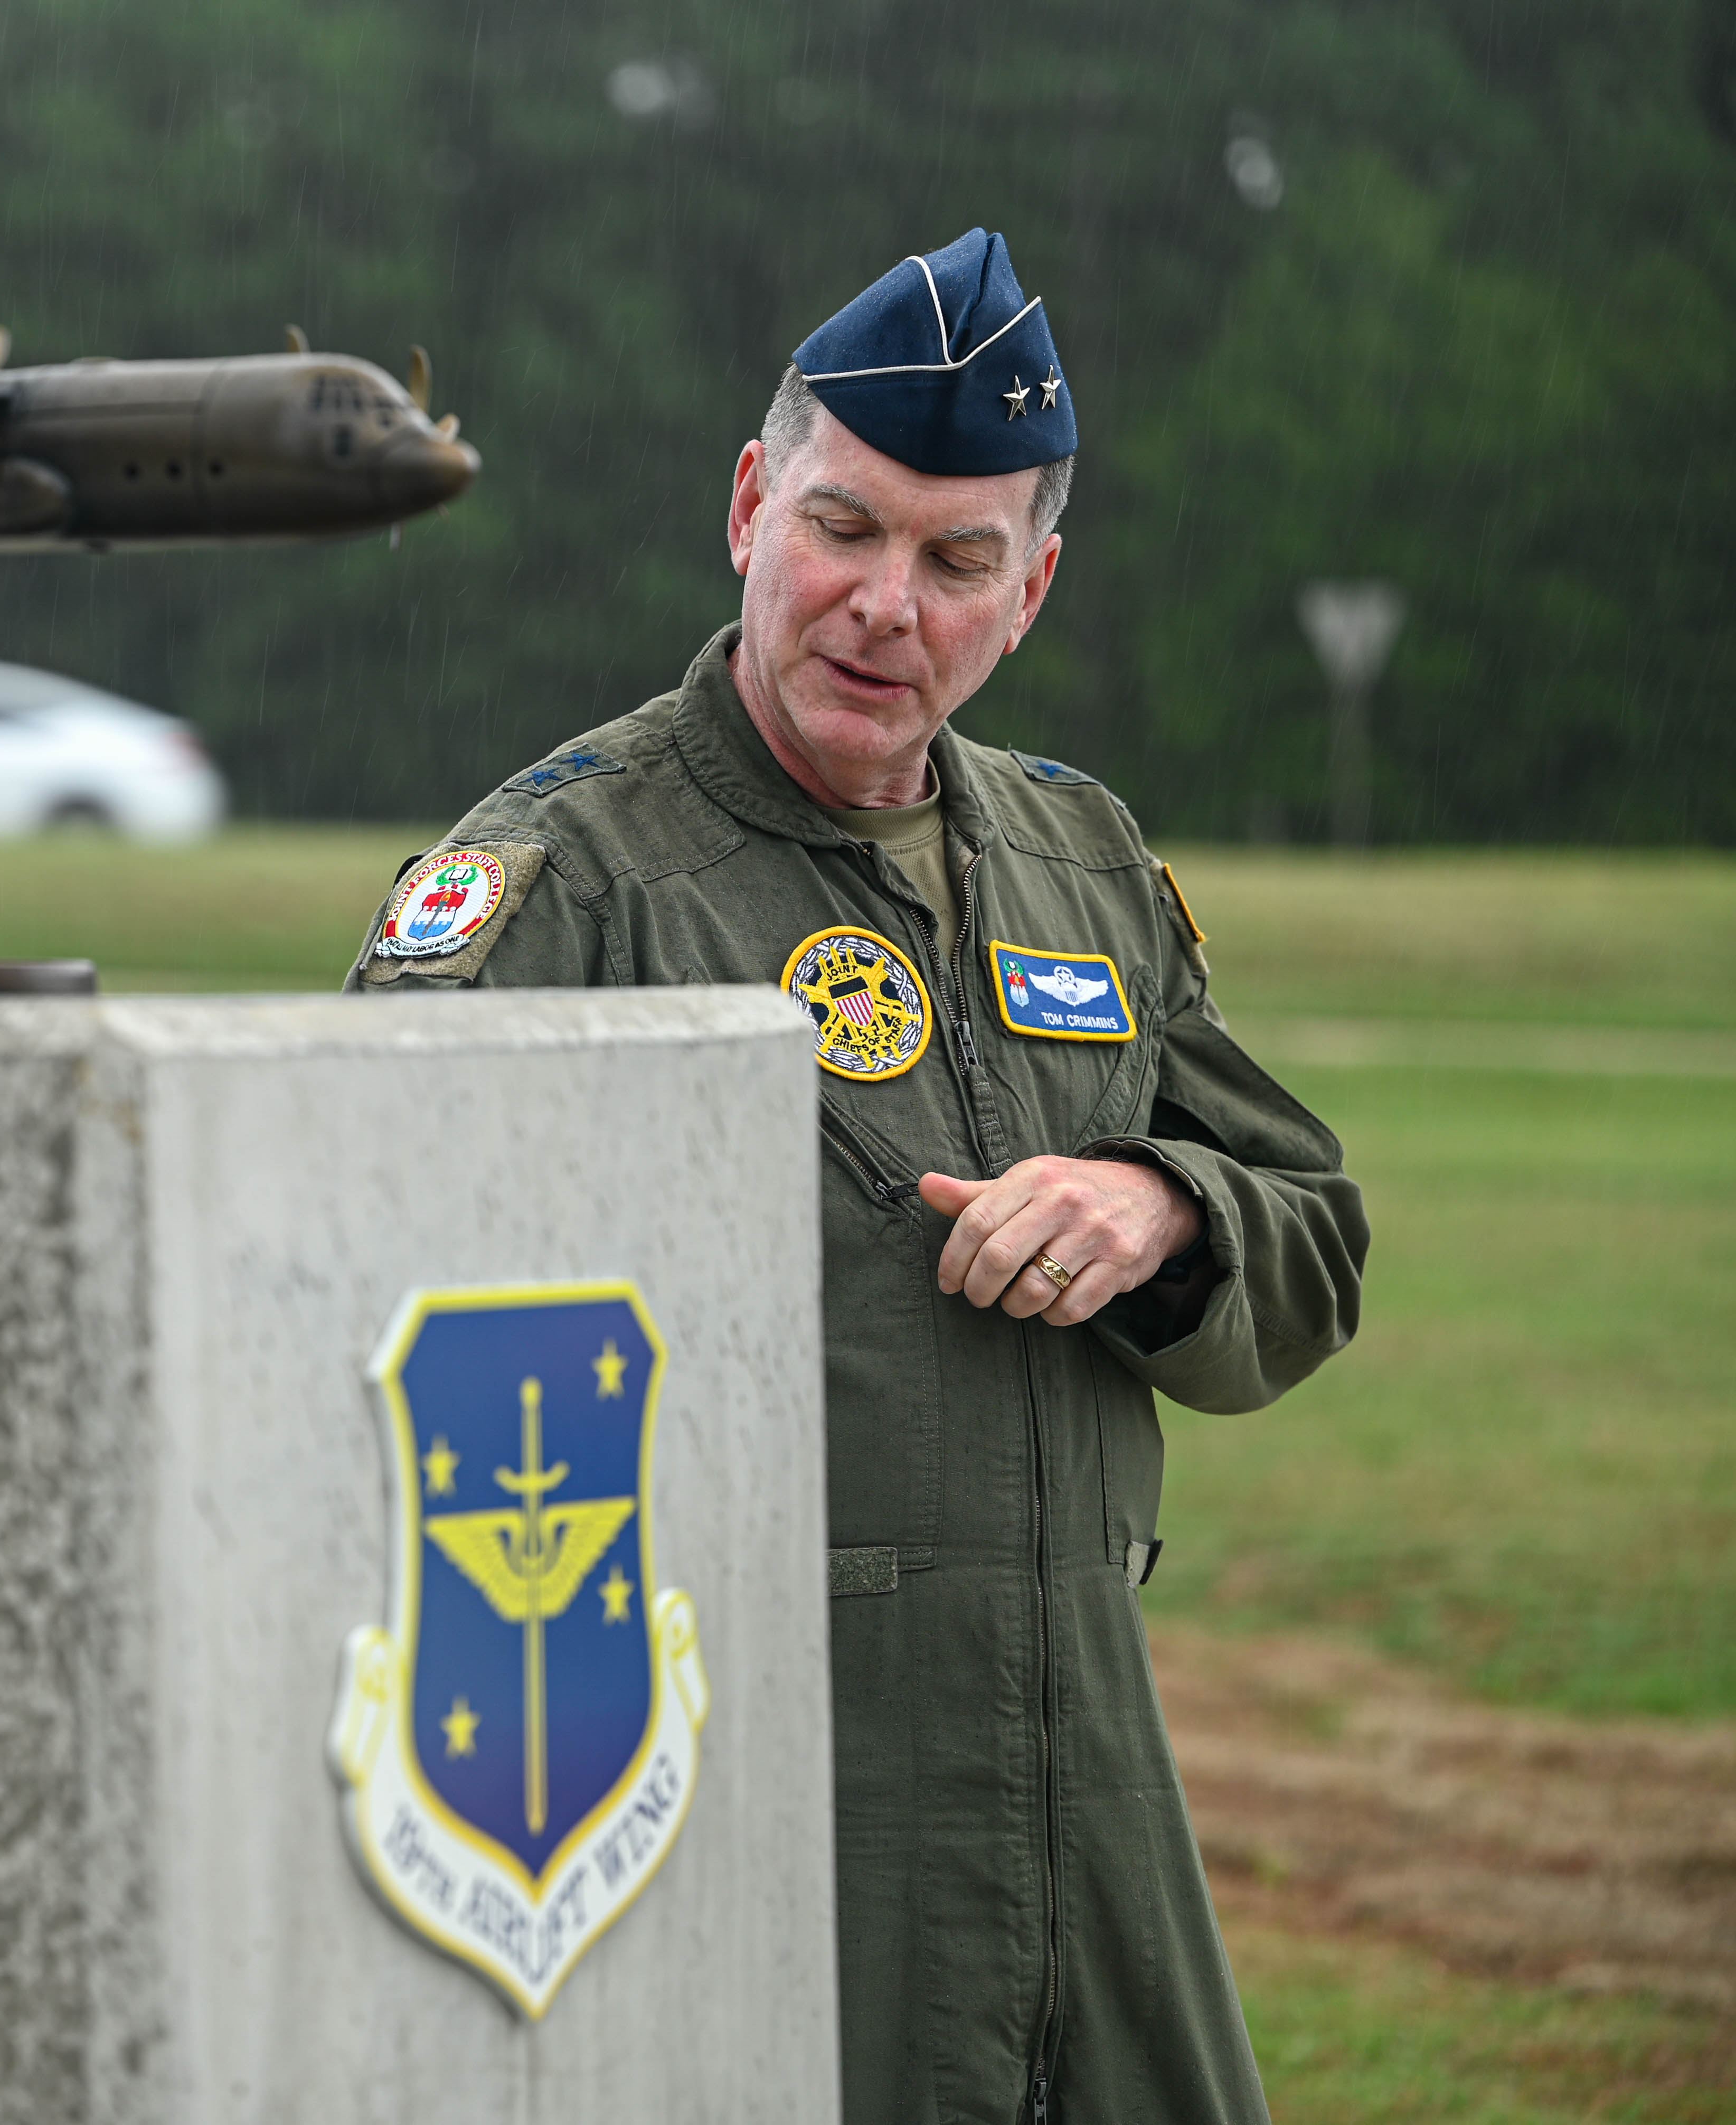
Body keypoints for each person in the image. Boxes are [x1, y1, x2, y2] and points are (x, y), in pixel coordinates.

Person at [350, 229, 1367, 2123]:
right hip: (746, 1789)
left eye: (956, 559)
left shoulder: (1085, 861)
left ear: (1031, 589)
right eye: (845, 529)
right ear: (750, 506)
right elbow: (353, 1325)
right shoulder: (566, 882)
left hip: (1088, 1769)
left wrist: (1161, 1212)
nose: (884, 603)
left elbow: (1311, 1235)